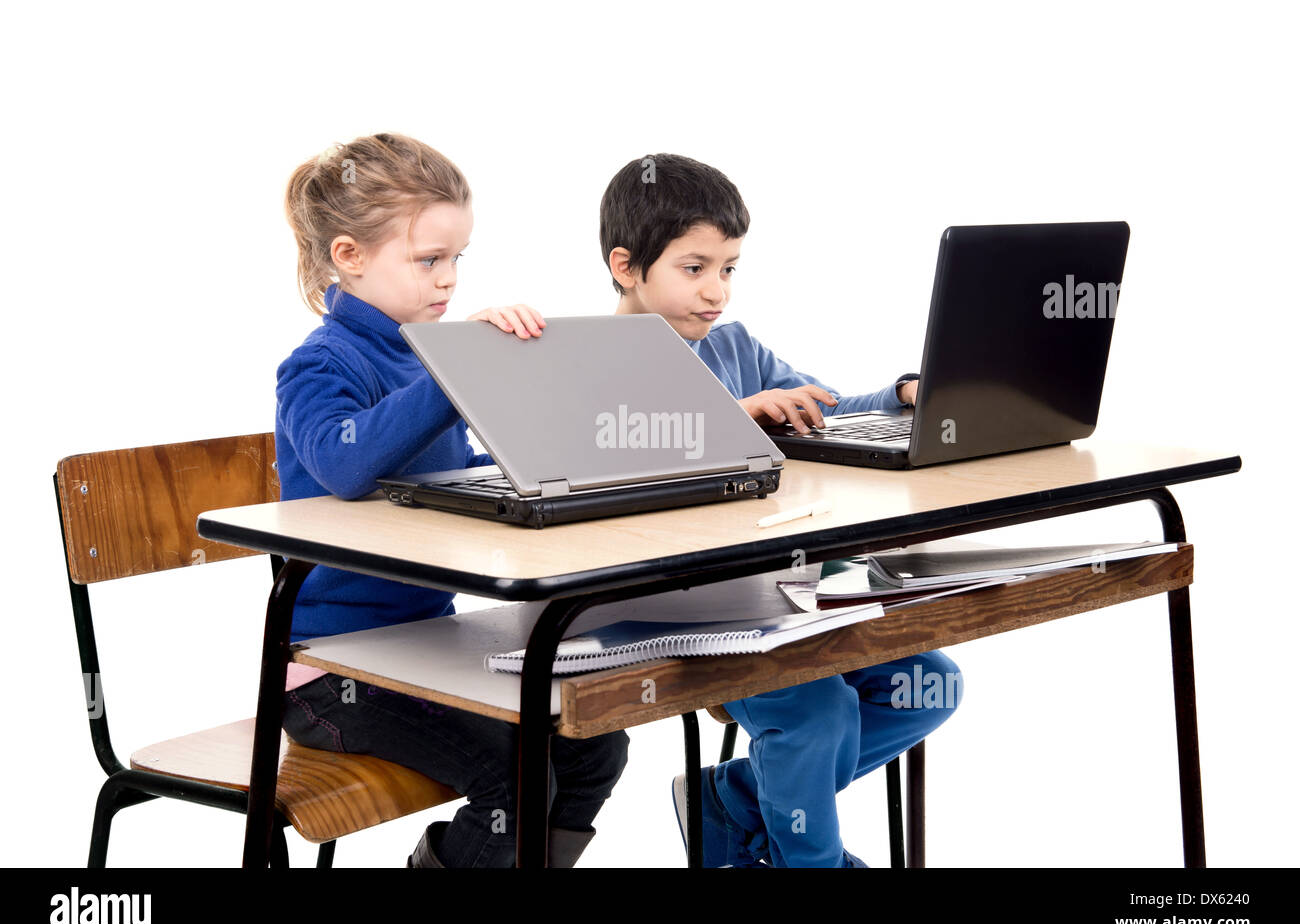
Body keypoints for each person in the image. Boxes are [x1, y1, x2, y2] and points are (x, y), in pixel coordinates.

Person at [482, 152, 961, 867]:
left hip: (753, 595)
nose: (717, 293)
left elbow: (817, 409)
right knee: (817, 712)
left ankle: (730, 805)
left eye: (729, 269)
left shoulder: (732, 346)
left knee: (926, 683)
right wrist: (735, 419)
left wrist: (900, 394)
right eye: (694, 268)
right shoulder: (580, 356)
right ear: (625, 265)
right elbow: (601, 459)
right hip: (641, 609)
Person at [274, 132, 627, 867]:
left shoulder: (423, 349)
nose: (450, 279)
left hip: (428, 647)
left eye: (458, 258)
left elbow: (442, 477)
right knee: (514, 776)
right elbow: (347, 464)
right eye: (430, 259)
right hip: (332, 674)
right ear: (349, 257)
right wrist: (454, 374)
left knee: (594, 742)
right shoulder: (318, 364)